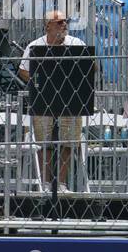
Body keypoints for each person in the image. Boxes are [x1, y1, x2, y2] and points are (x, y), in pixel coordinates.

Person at [18, 10, 87, 191]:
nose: (64, 25)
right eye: (59, 22)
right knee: (45, 141)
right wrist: (41, 79)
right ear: (47, 25)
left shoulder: (77, 43)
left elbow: (90, 66)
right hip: (44, 98)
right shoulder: (35, 46)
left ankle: (61, 183)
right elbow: (23, 70)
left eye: (65, 22)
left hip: (70, 97)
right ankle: (46, 182)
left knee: (68, 141)